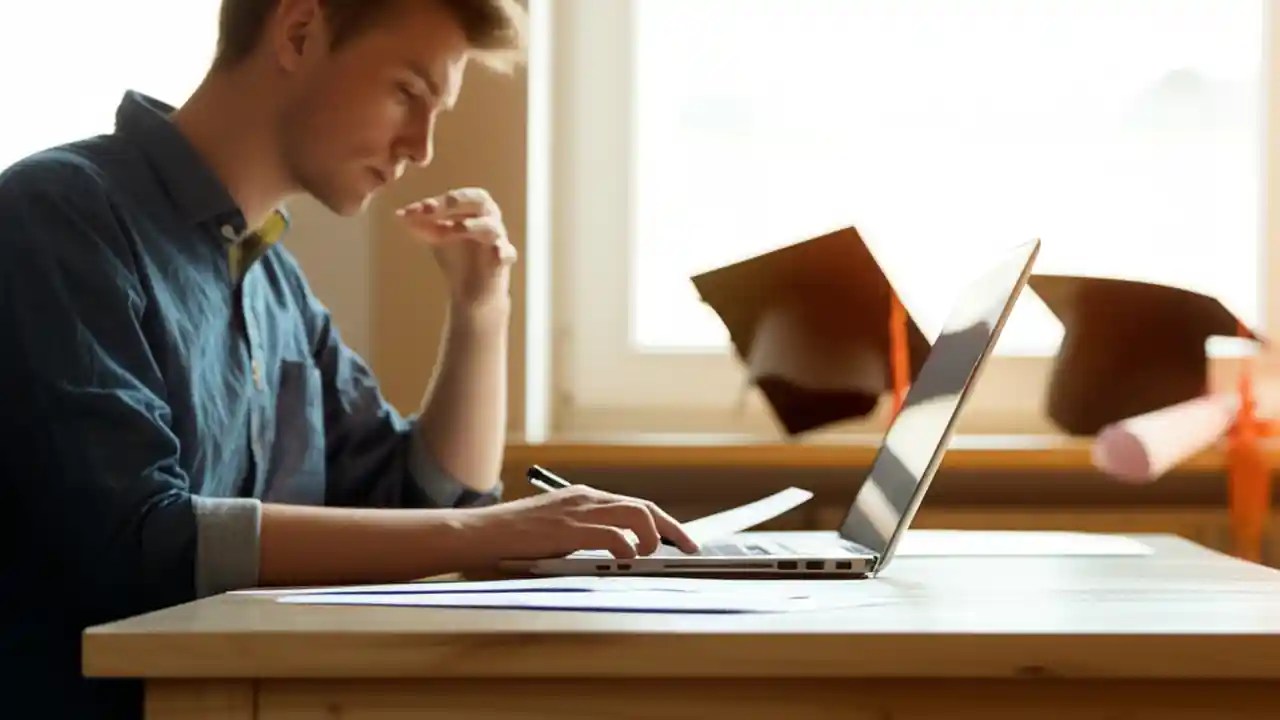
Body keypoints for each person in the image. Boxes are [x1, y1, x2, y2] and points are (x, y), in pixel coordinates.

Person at [0, 0, 698, 717]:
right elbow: (139, 539)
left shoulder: (275, 287)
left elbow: (422, 508)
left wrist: (482, 308)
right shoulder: (60, 213)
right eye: (408, 91)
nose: (422, 147)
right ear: (300, 33)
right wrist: (496, 529)